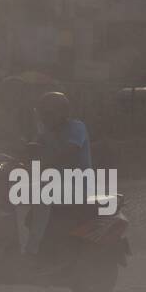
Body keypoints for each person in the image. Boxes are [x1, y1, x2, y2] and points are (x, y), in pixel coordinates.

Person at [22, 91, 91, 265]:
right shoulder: (46, 132)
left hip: (78, 185)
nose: (45, 117)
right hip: (55, 184)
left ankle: (32, 250)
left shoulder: (76, 127)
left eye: (49, 113)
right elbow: (32, 150)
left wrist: (44, 164)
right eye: (43, 113)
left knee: (42, 194)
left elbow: (69, 151)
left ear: (62, 113)